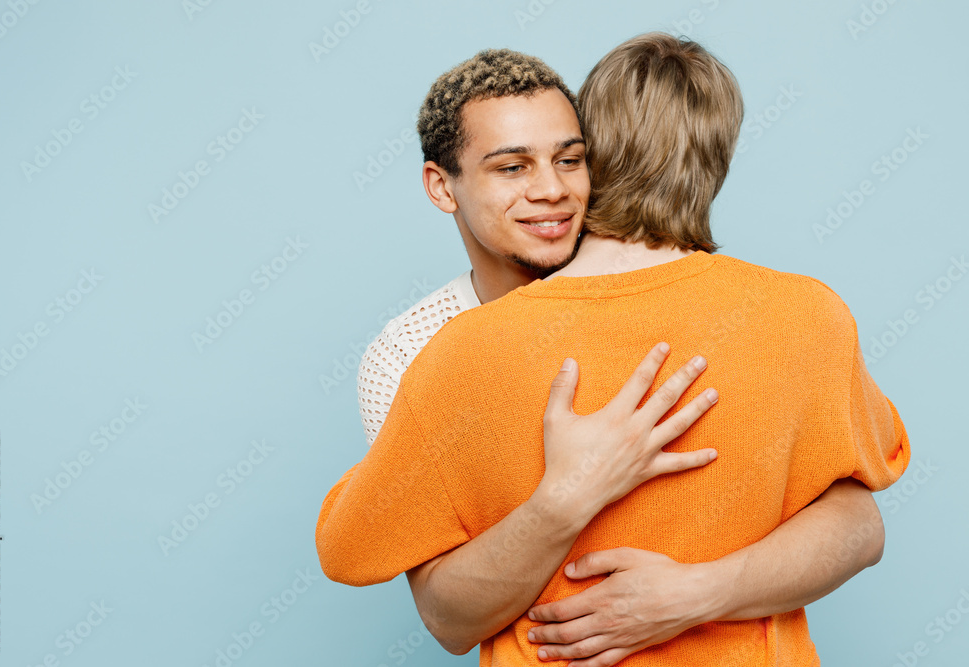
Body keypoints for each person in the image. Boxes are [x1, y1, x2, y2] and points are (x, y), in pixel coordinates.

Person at [318, 35, 908, 666]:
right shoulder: (424, 350)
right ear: (443, 186)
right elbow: (444, 616)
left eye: (569, 160)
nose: (550, 191)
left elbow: (857, 523)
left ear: (601, 156)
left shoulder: (466, 352)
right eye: (512, 167)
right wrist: (567, 494)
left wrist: (695, 593)